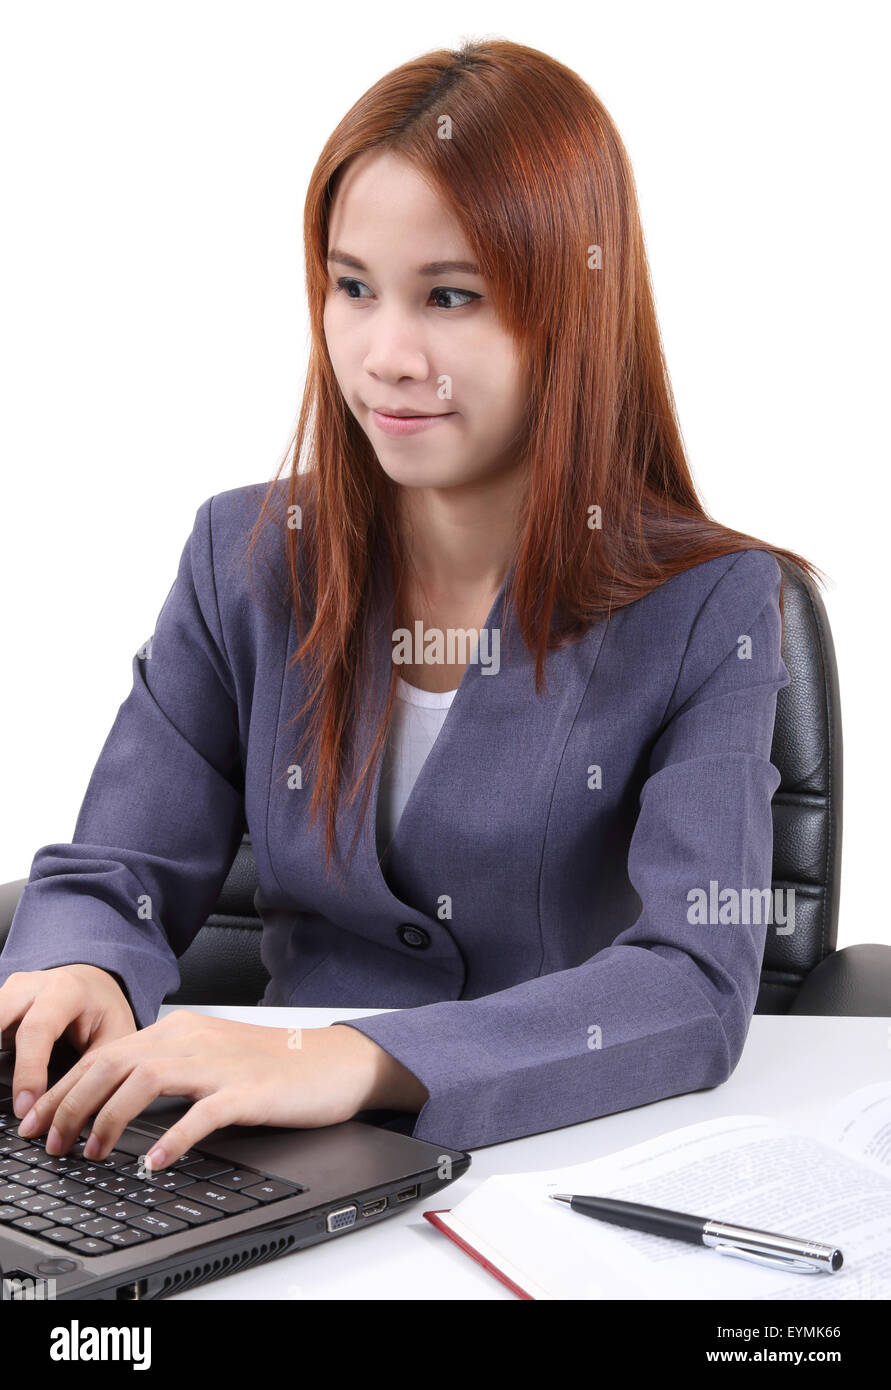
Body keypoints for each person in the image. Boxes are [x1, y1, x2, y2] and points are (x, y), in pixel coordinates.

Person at [0, 39, 823, 1164]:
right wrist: (81, 964)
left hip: (555, 1151)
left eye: (450, 296)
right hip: (250, 1153)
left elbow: (692, 978)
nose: (384, 355)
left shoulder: (710, 603)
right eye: (351, 287)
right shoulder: (244, 555)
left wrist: (345, 1057)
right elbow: (120, 872)